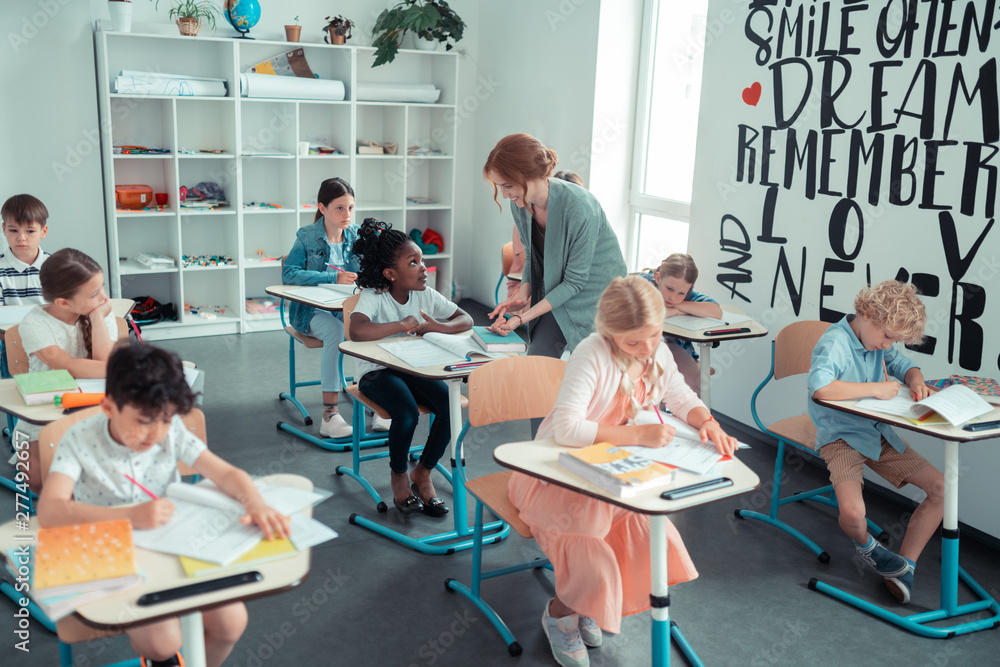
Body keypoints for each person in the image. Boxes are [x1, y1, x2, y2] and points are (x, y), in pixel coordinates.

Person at [509, 276, 738, 667]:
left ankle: (586, 605)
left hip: (617, 466)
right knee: (591, 543)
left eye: (654, 335)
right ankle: (561, 613)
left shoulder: (655, 350)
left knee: (649, 532)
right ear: (609, 332)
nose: (647, 349)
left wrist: (707, 422)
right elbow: (567, 430)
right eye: (634, 342)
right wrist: (637, 435)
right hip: (558, 470)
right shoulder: (591, 354)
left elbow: (679, 395)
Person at [37, 343, 289, 667]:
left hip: (174, 546)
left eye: (166, 420)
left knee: (231, 624)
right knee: (162, 643)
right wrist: (129, 516)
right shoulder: (79, 439)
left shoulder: (170, 431)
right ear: (109, 407)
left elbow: (225, 473)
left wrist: (255, 502)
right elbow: (50, 511)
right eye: (143, 421)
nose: (155, 433)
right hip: (112, 555)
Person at [808, 280, 944, 604]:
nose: (887, 346)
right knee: (854, 515)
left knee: (942, 489)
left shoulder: (877, 340)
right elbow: (820, 388)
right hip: (840, 438)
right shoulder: (836, 342)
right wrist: (873, 389)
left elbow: (903, 365)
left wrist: (916, 380)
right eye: (887, 337)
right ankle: (873, 552)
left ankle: (903, 567)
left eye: (894, 340)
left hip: (877, 433)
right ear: (868, 313)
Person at [349, 218, 473, 517]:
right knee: (405, 413)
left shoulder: (424, 294)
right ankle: (399, 475)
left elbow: (465, 319)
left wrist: (437, 326)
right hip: (376, 371)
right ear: (391, 274)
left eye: (422, 260)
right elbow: (357, 331)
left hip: (414, 367)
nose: (423, 268)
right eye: (414, 262)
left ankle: (424, 471)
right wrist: (401, 324)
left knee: (449, 405)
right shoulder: (373, 296)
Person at [485, 134, 626, 360]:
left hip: (598, 297)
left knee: (595, 373)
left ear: (528, 175)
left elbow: (575, 282)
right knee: (536, 365)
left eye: (508, 185)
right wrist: (523, 293)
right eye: (500, 187)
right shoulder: (520, 204)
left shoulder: (580, 207)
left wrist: (522, 318)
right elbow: (532, 254)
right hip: (558, 292)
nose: (504, 194)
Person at [17, 248, 119, 490]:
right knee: (37, 474)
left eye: (103, 287)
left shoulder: (99, 313)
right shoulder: (34, 324)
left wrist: (96, 318)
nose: (105, 298)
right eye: (95, 294)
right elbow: (70, 368)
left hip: (96, 408)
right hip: (46, 414)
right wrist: (118, 368)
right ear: (63, 302)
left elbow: (104, 358)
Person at [282, 177, 368, 438]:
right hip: (310, 313)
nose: (347, 214)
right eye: (339, 208)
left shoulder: (355, 237)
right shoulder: (306, 236)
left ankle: (375, 404)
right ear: (322, 208)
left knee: (368, 328)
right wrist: (332, 277)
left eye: (351, 207)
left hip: (345, 308)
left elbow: (366, 271)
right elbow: (289, 274)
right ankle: (329, 415)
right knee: (335, 331)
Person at [639, 253, 723, 394]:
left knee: (694, 381)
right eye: (669, 289)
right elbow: (645, 314)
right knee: (652, 381)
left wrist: (679, 306)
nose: (673, 297)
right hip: (638, 345)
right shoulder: (642, 284)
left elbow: (716, 311)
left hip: (670, 345)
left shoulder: (686, 295)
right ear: (658, 278)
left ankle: (686, 414)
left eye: (681, 293)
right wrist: (676, 311)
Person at [506, 171, 586, 307]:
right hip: (525, 287)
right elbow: (534, 265)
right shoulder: (525, 223)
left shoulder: (577, 224)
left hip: (558, 285)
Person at [0, 193, 49, 306]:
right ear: (4, 229)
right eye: (13, 230)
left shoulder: (57, 267)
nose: (21, 238)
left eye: (30, 231)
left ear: (43, 231)